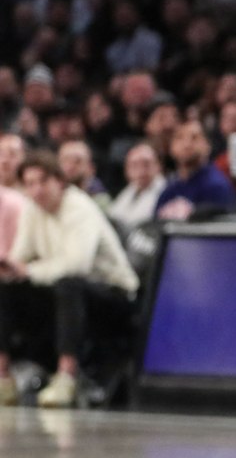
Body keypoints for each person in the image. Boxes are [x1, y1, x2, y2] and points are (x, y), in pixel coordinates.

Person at [0, 153, 139, 408]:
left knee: (68, 283)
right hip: (63, 291)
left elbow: (77, 265)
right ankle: (3, 377)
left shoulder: (79, 207)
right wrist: (8, 268)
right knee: (5, 289)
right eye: (30, 184)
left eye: (43, 181)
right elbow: (20, 259)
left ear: (59, 181)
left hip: (115, 294)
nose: (37, 190)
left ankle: (67, 375)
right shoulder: (32, 209)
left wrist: (28, 271)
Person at [154, 120, 236, 221]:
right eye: (179, 138)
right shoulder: (169, 188)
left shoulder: (216, 186)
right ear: (171, 148)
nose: (186, 144)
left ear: (208, 146)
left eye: (194, 138)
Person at [105, 141, 166, 237]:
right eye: (134, 165)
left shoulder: (166, 191)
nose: (141, 171)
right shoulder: (129, 191)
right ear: (126, 170)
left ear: (158, 166)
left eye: (146, 164)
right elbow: (113, 218)